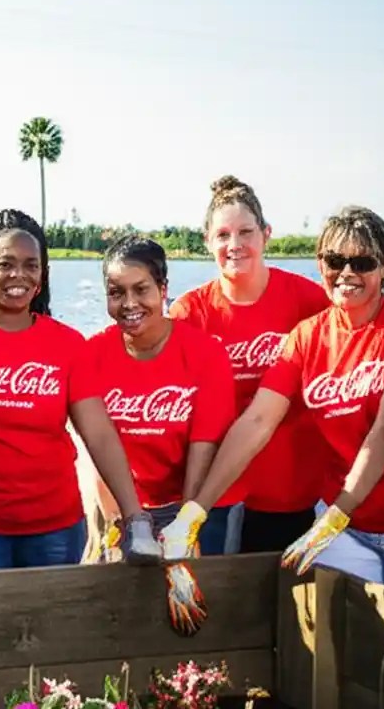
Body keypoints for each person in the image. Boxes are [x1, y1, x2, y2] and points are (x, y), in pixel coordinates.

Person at [161, 206, 384, 614]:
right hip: (352, 529)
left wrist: (335, 518)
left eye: (362, 262)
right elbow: (257, 421)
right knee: (349, 647)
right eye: (334, 261)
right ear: (320, 264)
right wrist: (196, 510)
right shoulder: (306, 338)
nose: (346, 273)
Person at [0, 209, 159, 569]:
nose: (19, 275)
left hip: (55, 528)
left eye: (31, 265)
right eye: (6, 264)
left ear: (43, 274)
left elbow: (98, 433)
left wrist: (134, 517)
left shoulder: (67, 344)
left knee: (56, 624)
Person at [168, 176, 331, 553]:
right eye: (223, 234)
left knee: (284, 606)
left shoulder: (309, 301)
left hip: (293, 490)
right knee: (221, 601)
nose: (235, 245)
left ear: (266, 234)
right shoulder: (189, 312)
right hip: (217, 495)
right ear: (207, 240)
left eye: (246, 232)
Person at [85, 236, 236, 552]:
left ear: (163, 289)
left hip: (184, 501)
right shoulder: (93, 354)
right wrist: (117, 524)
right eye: (116, 293)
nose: (129, 303)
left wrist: (186, 524)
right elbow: (97, 446)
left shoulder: (206, 354)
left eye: (141, 290)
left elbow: (204, 446)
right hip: (121, 503)